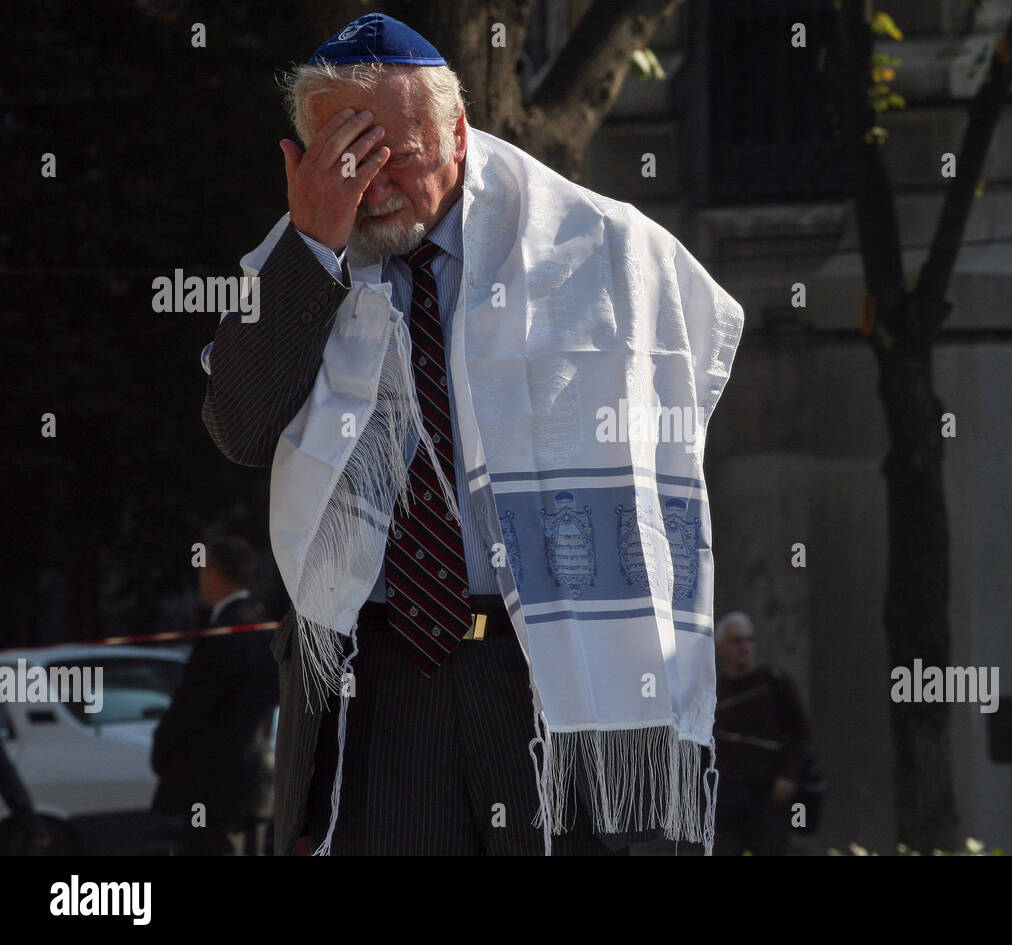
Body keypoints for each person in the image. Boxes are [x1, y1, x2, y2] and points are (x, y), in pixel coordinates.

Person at [199, 14, 742, 855]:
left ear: (457, 132)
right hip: (379, 678)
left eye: (395, 157)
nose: (373, 189)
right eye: (346, 162)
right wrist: (312, 244)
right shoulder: (296, 262)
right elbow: (239, 427)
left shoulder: (598, 248)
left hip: (546, 667)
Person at [150, 535, 278, 855]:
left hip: (212, 785)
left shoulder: (221, 633)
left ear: (213, 574)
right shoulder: (268, 630)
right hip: (256, 781)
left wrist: (162, 750)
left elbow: (192, 706)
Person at [713, 612, 811, 855]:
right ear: (721, 648)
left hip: (768, 794)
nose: (745, 647)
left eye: (749, 639)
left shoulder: (774, 683)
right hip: (726, 795)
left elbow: (799, 732)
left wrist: (789, 776)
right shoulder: (713, 691)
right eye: (737, 641)